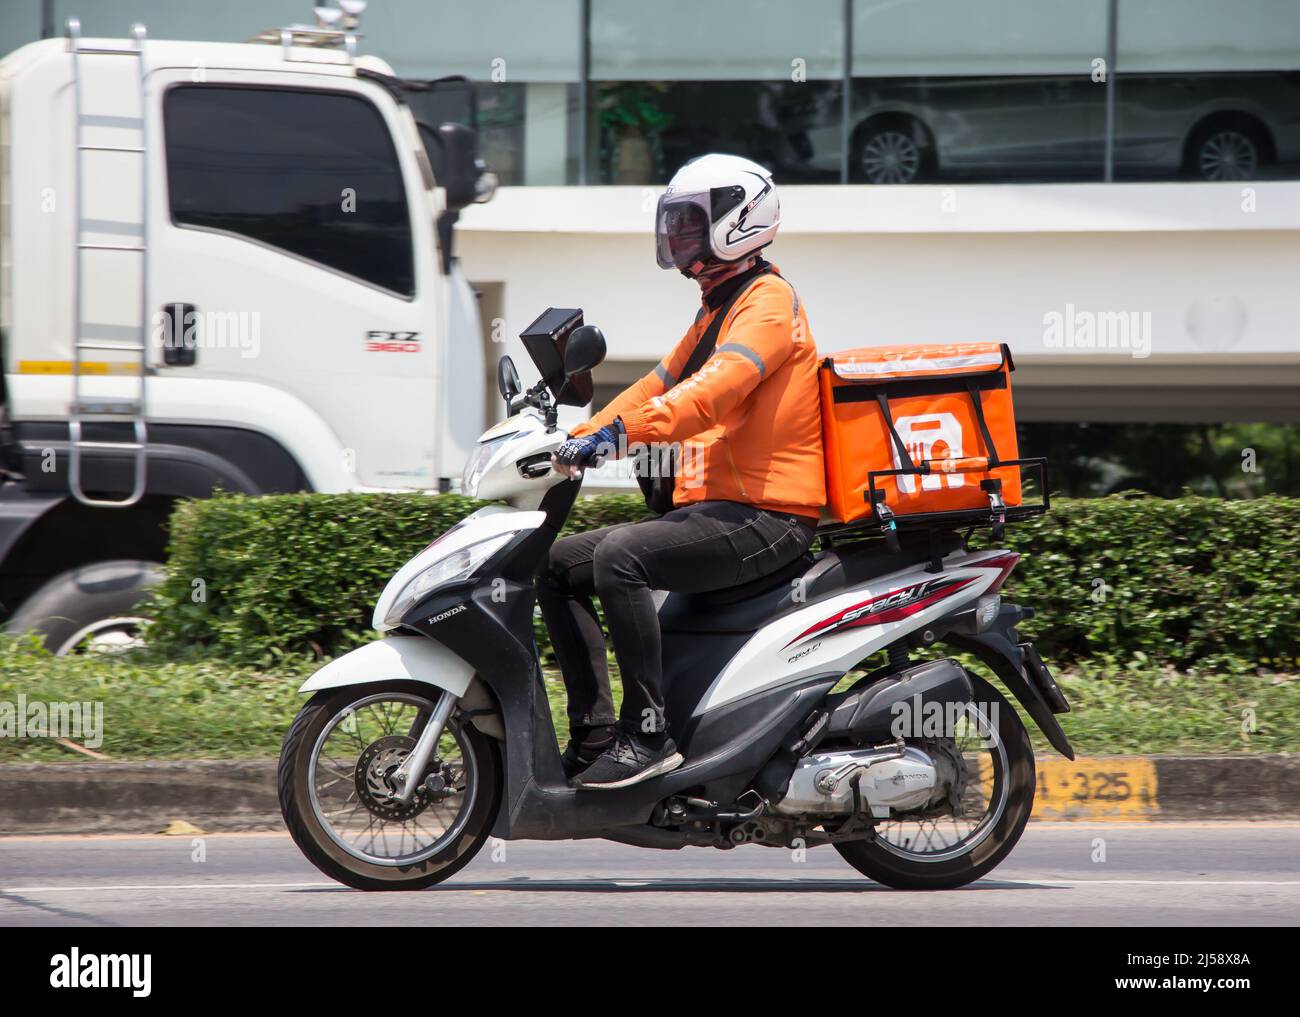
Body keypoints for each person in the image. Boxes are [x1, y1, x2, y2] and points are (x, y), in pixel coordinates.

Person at [539, 153, 826, 789]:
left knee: (621, 556)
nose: (677, 233)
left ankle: (648, 737)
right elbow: (656, 385)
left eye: (691, 221)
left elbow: (711, 394)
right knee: (555, 566)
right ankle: (594, 735)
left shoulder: (768, 302)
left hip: (768, 516)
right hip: (719, 512)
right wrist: (574, 438)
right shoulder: (715, 309)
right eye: (675, 221)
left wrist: (617, 437)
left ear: (741, 220)